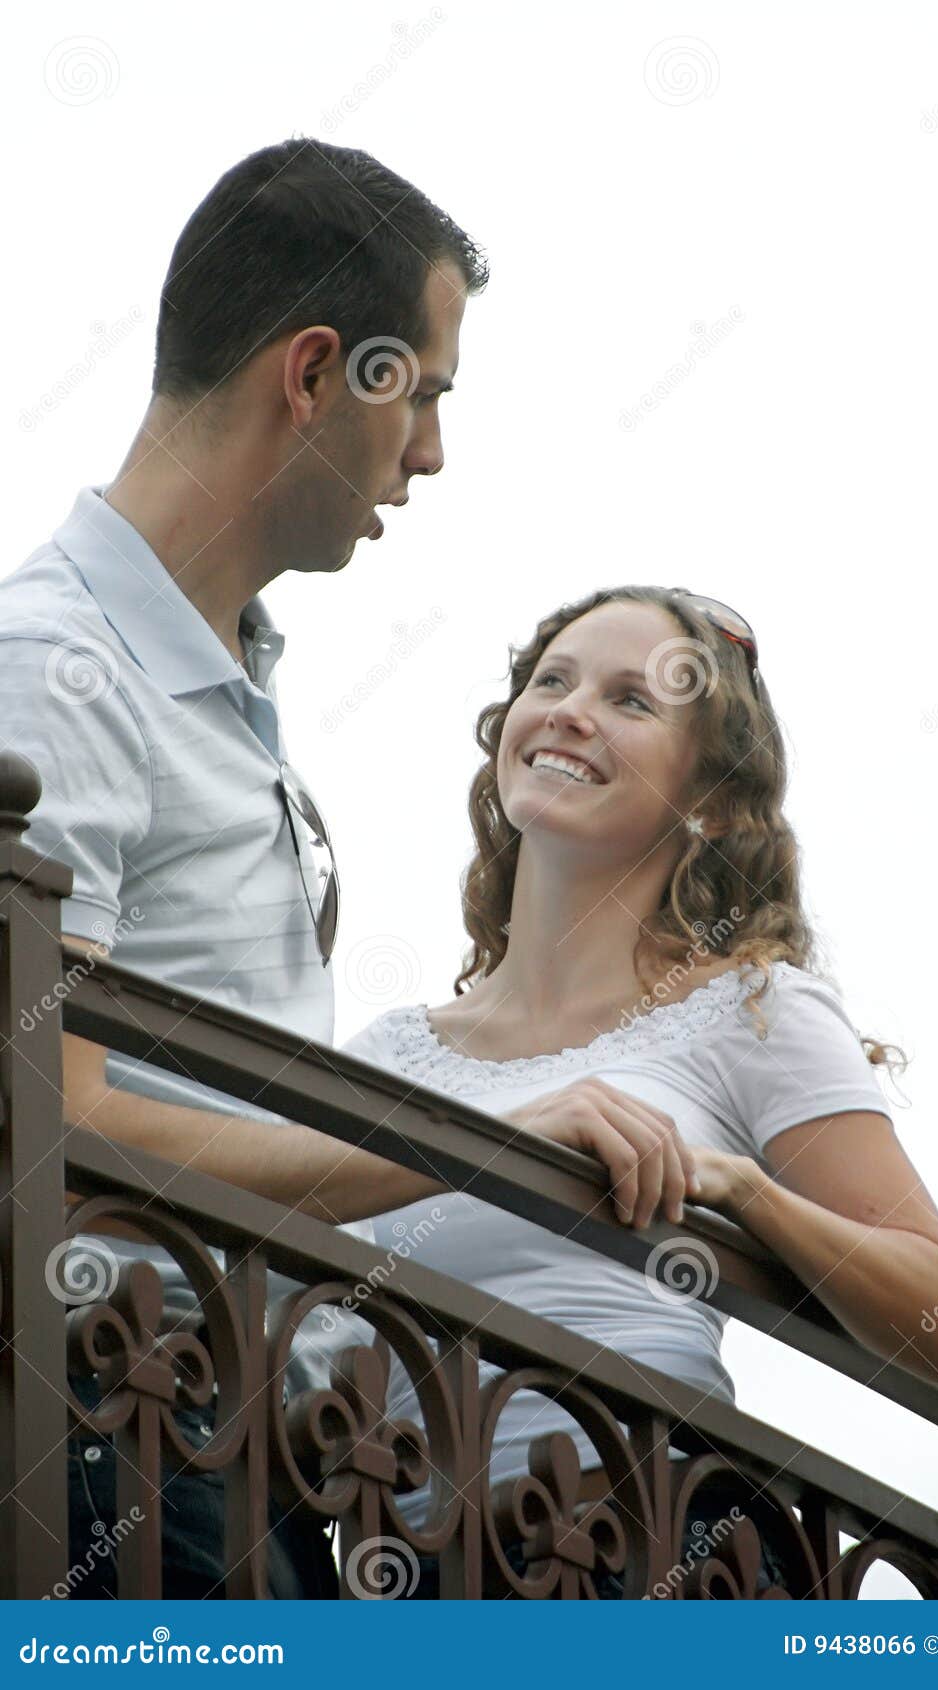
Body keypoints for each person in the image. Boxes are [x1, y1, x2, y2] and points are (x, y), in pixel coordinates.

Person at [0, 135, 497, 1597]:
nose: (431, 453)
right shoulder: (57, 668)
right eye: (426, 395)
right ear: (319, 372)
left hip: (223, 1445)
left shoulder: (215, 672)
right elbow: (49, 1114)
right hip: (118, 1438)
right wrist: (456, 1144)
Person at [327, 585, 938, 1598]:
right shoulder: (387, 1052)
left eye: (631, 699)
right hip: (415, 1574)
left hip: (651, 1549)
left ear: (709, 801)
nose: (569, 711)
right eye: (552, 681)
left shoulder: (753, 1009)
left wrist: (741, 1191)